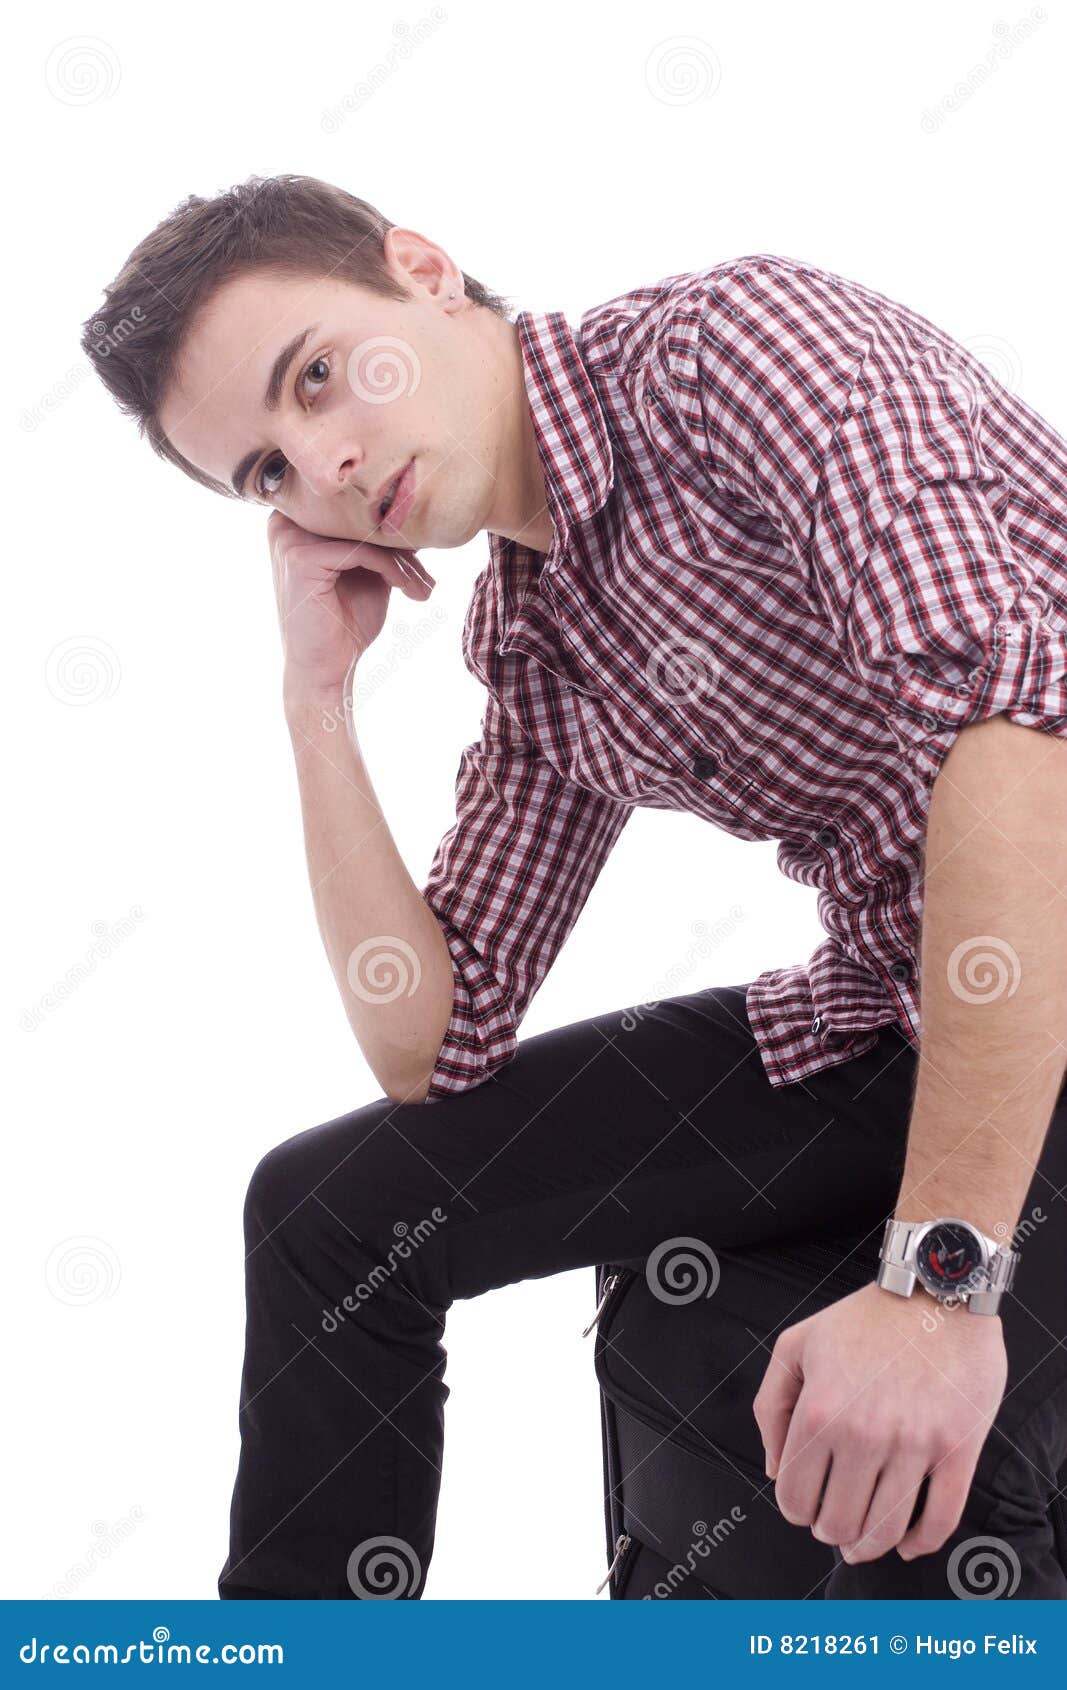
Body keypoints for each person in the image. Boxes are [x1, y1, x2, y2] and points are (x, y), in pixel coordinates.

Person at [79, 173, 1067, 1599]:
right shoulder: (543, 644)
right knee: (327, 1212)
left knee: (896, 1495)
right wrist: (316, 699)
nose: (328, 464)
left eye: (318, 378)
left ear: (420, 269)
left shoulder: (737, 357)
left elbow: (1017, 732)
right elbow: (431, 1032)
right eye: (270, 474)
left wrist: (935, 1286)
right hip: (913, 1009)